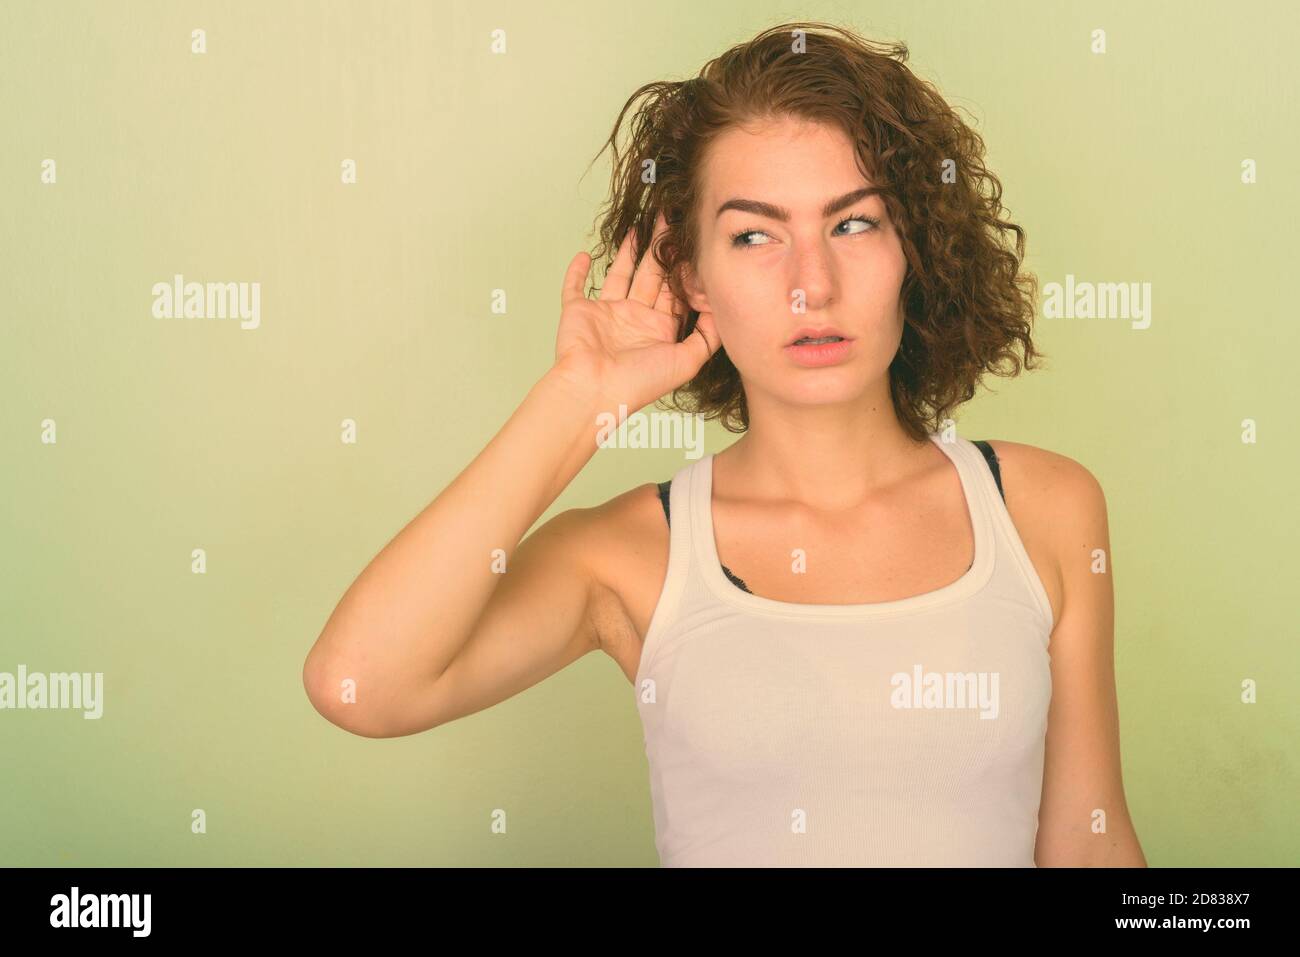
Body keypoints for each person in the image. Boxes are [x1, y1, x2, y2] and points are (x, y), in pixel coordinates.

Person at [303, 20, 1146, 867]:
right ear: (692, 274)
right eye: (754, 235)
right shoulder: (630, 554)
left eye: (853, 225)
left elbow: (1089, 838)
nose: (811, 285)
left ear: (913, 250)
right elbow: (359, 684)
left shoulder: (1044, 507)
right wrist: (579, 400)